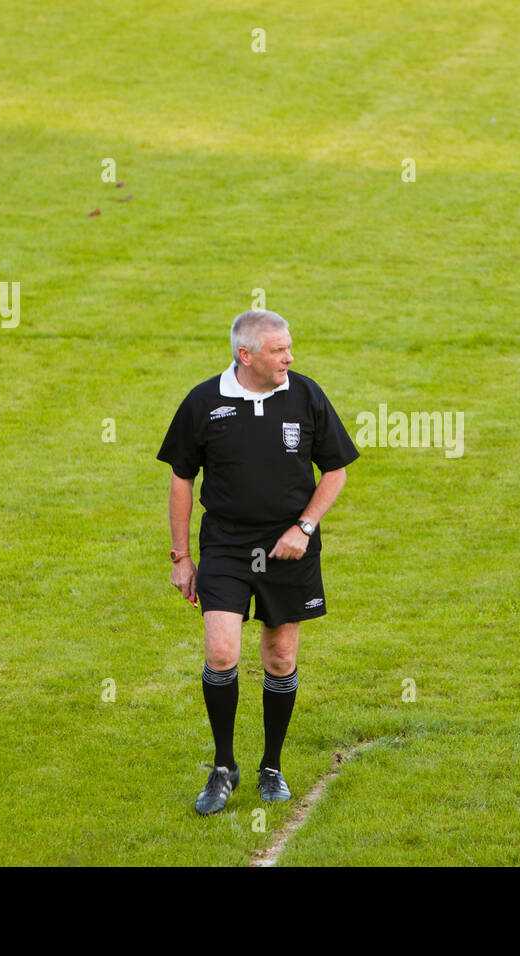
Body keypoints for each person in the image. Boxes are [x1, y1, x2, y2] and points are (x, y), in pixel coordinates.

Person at [157, 310, 359, 812]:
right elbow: (182, 478)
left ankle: (272, 765)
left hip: (288, 547)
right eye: (278, 350)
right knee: (222, 652)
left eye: (289, 348)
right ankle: (224, 768)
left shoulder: (307, 394)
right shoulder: (204, 401)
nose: (289, 358)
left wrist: (303, 528)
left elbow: (335, 469)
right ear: (245, 355)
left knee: (280, 657)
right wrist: (182, 556)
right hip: (226, 545)